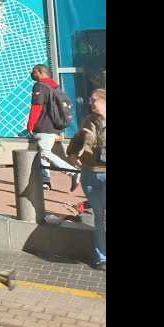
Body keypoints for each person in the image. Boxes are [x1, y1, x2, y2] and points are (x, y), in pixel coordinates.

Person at [66, 88, 105, 270]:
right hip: (89, 175)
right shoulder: (88, 121)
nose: (90, 103)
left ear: (104, 102)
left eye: (93, 100)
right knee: (99, 216)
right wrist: (73, 156)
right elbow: (76, 141)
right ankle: (101, 257)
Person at [27, 64, 81, 192]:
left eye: (34, 71)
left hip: (44, 126)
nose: (32, 73)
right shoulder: (54, 86)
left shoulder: (40, 86)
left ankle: (73, 172)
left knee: (45, 152)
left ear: (41, 72)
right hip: (54, 126)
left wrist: (30, 124)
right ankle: (45, 181)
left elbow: (37, 107)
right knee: (42, 153)